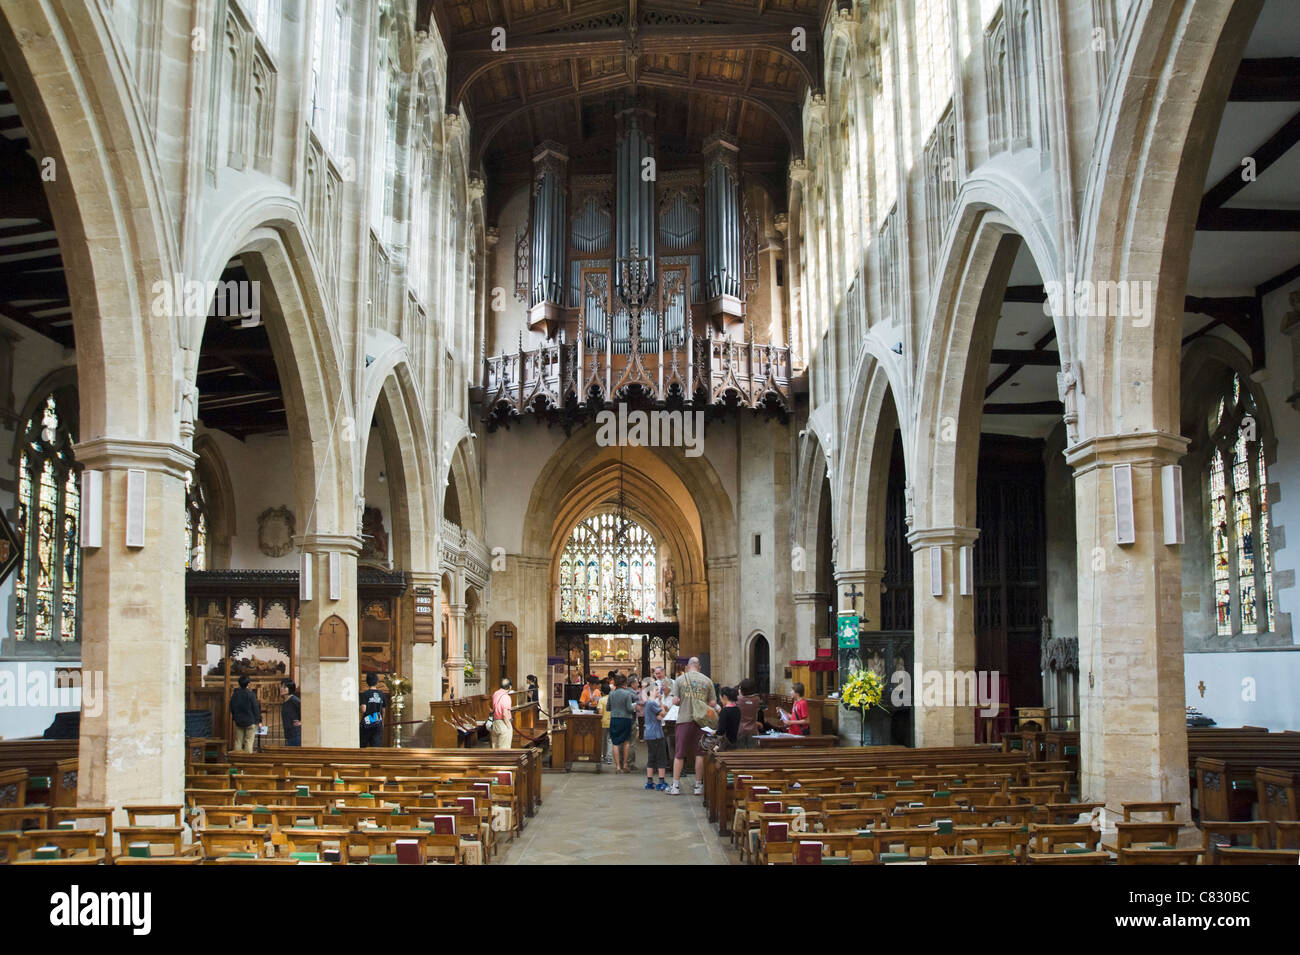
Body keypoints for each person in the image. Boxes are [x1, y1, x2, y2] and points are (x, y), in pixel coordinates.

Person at [666, 656, 716, 796]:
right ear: (699, 667)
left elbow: (675, 701)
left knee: (679, 753)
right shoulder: (707, 680)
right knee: (699, 753)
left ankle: (675, 786)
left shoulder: (680, 680)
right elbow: (712, 703)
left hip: (684, 719)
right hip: (701, 722)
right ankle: (698, 786)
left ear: (687, 667)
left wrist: (683, 700)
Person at [642, 681, 669, 790]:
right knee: (661, 758)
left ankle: (649, 781)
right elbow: (662, 713)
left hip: (649, 733)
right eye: (657, 690)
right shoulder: (652, 703)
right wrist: (661, 702)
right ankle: (661, 782)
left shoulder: (649, 703)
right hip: (656, 734)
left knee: (651, 757)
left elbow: (659, 716)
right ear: (651, 691)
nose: (659, 691)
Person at [229, 675, 262, 753]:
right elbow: (256, 708)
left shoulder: (235, 694)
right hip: (250, 721)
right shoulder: (251, 694)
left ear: (239, 684)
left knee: (238, 741)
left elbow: (231, 707)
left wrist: (235, 717)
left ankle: (237, 759)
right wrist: (259, 721)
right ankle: (247, 760)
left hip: (239, 721)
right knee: (248, 741)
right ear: (248, 684)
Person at [359, 672, 390, 747]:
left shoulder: (364, 694)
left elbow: (363, 709)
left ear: (367, 682)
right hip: (377, 721)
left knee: (363, 746)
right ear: (377, 682)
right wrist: (382, 721)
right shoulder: (382, 694)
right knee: (376, 746)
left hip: (367, 722)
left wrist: (359, 708)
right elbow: (383, 710)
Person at [736, 678, 764, 748]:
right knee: (752, 751)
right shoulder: (757, 699)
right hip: (752, 730)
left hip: (740, 730)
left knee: (740, 752)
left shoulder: (738, 700)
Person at [715, 686, 741, 751]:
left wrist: (714, 732)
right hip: (735, 741)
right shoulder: (737, 710)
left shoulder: (724, 711)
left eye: (720, 698)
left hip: (726, 744)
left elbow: (721, 731)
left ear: (724, 697)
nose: (720, 701)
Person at [491, 678, 514, 749]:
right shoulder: (506, 697)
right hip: (503, 723)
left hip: (495, 723)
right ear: (510, 687)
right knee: (504, 750)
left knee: (495, 749)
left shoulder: (495, 693)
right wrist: (509, 726)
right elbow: (504, 714)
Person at [281, 680, 302, 747]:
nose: (281, 689)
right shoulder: (285, 702)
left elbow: (305, 711)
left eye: (284, 687)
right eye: (281, 686)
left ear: (290, 688)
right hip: (288, 734)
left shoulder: (294, 700)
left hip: (296, 733)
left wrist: (301, 722)